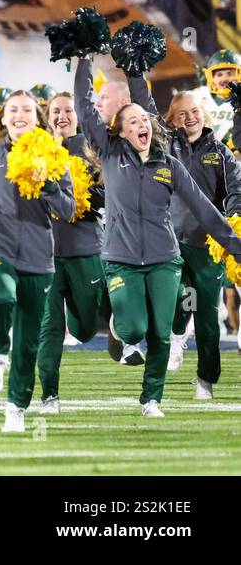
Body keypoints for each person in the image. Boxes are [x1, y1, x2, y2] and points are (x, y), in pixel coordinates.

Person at [74, 55, 241, 416]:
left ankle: (152, 399)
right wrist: (84, 60)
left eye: (143, 119)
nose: (141, 124)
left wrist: (236, 247)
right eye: (131, 121)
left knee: (163, 334)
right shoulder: (109, 151)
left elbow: (204, 208)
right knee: (135, 328)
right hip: (121, 259)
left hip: (166, 259)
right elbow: (85, 109)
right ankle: (126, 331)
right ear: (119, 131)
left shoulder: (169, 162)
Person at [0, 90, 74, 433]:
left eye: (27, 109)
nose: (20, 114)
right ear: (3, 118)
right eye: (13, 110)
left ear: (38, 118)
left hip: (39, 256)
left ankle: (16, 409)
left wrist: (48, 184)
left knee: (28, 342)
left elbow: (68, 210)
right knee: (1, 293)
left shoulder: (56, 157)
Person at [127, 81, 240, 402]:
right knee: (175, 301)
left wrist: (234, 217)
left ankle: (206, 379)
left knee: (207, 319)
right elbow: (143, 108)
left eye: (195, 112)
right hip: (167, 244)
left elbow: (236, 192)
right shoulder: (163, 146)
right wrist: (137, 75)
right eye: (182, 114)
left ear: (204, 114)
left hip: (206, 247)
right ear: (172, 119)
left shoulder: (221, 153)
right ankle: (177, 335)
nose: (190, 118)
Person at [35, 91, 107, 413]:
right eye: (55, 112)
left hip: (85, 248)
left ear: (77, 116)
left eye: (68, 110)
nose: (62, 116)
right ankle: (49, 395)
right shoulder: (36, 152)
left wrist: (85, 198)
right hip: (45, 255)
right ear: (47, 117)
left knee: (85, 329)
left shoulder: (93, 148)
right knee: (49, 326)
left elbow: (111, 194)